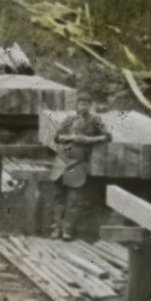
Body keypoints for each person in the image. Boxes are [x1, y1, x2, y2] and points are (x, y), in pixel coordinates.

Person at [50, 96, 109, 241]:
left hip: (79, 162)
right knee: (59, 197)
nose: (82, 107)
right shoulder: (70, 119)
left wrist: (87, 139)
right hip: (62, 161)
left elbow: (107, 137)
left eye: (86, 104)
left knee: (74, 198)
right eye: (80, 104)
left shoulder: (95, 120)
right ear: (76, 105)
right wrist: (68, 138)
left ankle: (67, 230)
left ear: (90, 106)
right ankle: (57, 227)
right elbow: (57, 137)